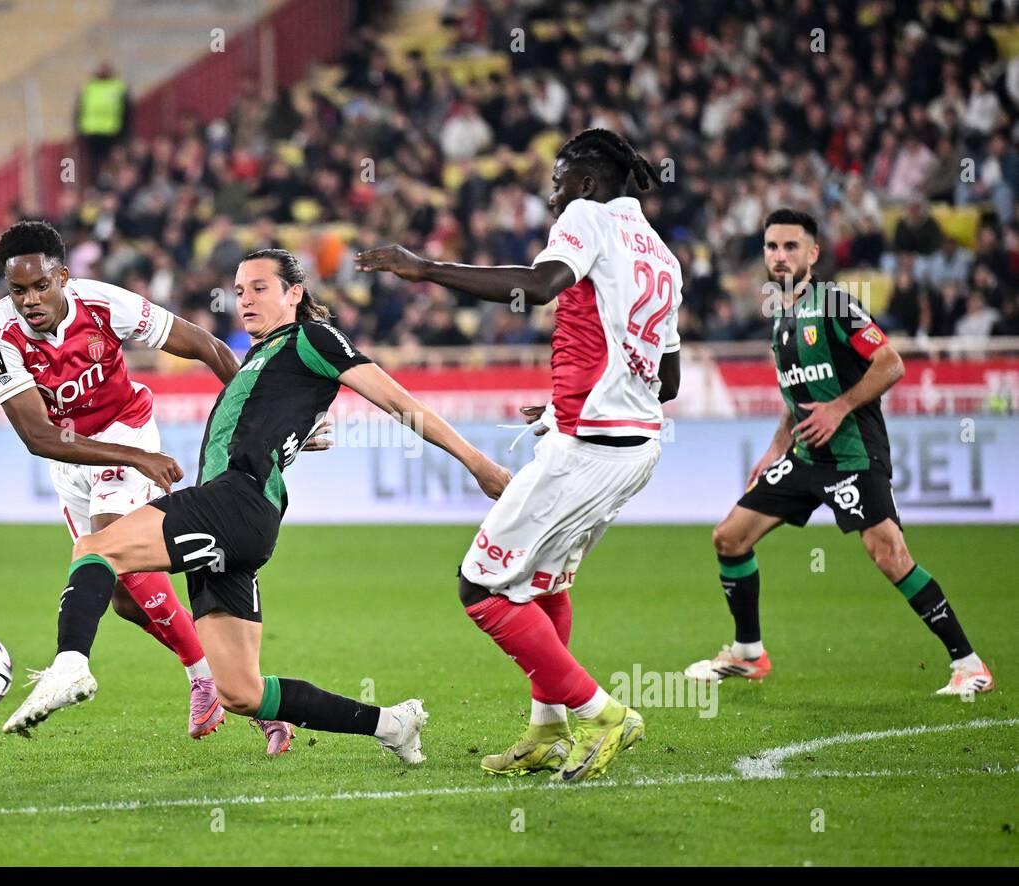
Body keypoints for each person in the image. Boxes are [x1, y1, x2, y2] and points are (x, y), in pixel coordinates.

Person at [3, 249, 511, 767]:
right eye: (240, 290)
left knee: (96, 549)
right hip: (239, 522)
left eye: (261, 288)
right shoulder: (260, 358)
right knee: (240, 692)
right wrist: (293, 429)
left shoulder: (311, 338)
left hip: (234, 502)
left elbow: (402, 403)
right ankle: (392, 724)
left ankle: (71, 664)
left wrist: (477, 462)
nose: (245, 299)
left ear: (295, 293)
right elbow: (271, 412)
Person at [356, 128, 683, 783]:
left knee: (479, 586)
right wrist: (567, 401)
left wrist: (426, 268)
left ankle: (604, 712)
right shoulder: (661, 254)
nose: (552, 191)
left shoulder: (586, 218)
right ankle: (547, 730)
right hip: (633, 444)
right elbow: (666, 381)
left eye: (560, 179)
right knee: (545, 582)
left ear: (587, 184)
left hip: (589, 451)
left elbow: (539, 285)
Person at [684, 209, 993, 696]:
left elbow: (890, 364)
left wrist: (839, 408)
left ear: (813, 253)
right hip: (806, 458)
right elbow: (797, 399)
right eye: (771, 247)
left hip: (852, 456)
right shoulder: (781, 318)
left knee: (889, 555)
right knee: (729, 537)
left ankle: (969, 664)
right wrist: (774, 449)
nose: (779, 257)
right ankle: (749, 653)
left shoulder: (834, 304)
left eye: (790, 247)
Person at [0, 220, 252, 746]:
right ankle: (214, 681)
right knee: (125, 598)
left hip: (125, 427)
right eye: (17, 291)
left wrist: (256, 415)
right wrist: (132, 459)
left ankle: (70, 665)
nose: (29, 301)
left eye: (40, 286)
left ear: (62, 277)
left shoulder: (103, 304)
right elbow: (39, 435)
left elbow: (206, 346)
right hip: (71, 456)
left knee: (104, 547)